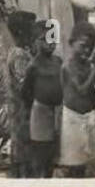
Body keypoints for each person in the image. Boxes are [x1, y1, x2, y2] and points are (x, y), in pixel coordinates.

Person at [60, 22, 95, 177]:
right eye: (83, 46)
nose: (87, 51)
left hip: (87, 117)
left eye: (90, 48)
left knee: (84, 163)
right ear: (72, 43)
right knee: (73, 164)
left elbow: (92, 90)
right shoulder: (69, 66)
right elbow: (82, 90)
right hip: (73, 119)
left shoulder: (87, 66)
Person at [23, 20, 64, 177]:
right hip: (40, 111)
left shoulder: (58, 62)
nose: (50, 43)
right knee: (41, 149)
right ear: (36, 41)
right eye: (45, 39)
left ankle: (49, 176)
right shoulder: (34, 65)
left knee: (54, 149)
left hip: (57, 111)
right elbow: (26, 92)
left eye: (53, 39)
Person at [4, 11, 37, 178]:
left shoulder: (22, 52)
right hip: (22, 107)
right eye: (33, 30)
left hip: (21, 106)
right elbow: (24, 84)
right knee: (23, 143)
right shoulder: (19, 56)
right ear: (21, 33)